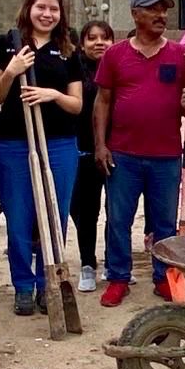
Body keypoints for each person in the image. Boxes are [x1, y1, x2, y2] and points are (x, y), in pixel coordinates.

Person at [93, 0, 185, 307]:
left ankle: (163, 277)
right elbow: (102, 101)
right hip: (123, 154)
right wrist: (101, 145)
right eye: (153, 9)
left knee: (164, 223)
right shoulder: (115, 54)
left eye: (164, 10)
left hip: (167, 155)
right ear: (135, 14)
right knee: (118, 219)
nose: (161, 15)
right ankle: (117, 278)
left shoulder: (180, 55)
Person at [0, 0, 84, 317]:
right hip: (14, 143)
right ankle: (23, 286)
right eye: (41, 7)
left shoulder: (68, 49)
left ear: (61, 14)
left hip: (59, 144)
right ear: (29, 8)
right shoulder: (6, 44)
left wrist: (51, 94)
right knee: (20, 217)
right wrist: (12, 71)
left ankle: (47, 283)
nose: (47, 14)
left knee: (53, 215)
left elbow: (77, 105)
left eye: (53, 9)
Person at [71, 20, 114, 292]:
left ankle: (114, 262)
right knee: (85, 212)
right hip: (81, 153)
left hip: (117, 151)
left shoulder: (119, 67)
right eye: (92, 38)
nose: (99, 43)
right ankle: (88, 264)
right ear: (82, 43)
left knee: (117, 212)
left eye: (105, 38)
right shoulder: (74, 69)